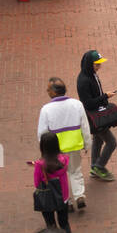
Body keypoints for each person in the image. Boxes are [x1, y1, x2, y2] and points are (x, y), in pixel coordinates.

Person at [36, 77, 91, 211]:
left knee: (60, 174)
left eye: (48, 89)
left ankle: (67, 201)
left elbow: (42, 132)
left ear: (54, 92)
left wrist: (44, 150)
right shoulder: (77, 104)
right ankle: (79, 195)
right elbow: (85, 126)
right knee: (75, 171)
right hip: (74, 145)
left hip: (56, 149)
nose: (47, 91)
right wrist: (87, 143)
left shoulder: (46, 109)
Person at [77, 49, 117, 182]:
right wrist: (105, 96)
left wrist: (104, 96)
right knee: (111, 142)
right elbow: (88, 103)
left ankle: (94, 167)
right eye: (97, 64)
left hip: (97, 115)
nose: (99, 67)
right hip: (93, 118)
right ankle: (99, 167)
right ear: (89, 64)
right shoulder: (83, 81)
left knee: (98, 140)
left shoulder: (92, 74)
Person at [33, 133, 74, 233]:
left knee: (51, 225)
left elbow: (37, 183)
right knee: (64, 223)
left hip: (47, 199)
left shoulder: (40, 164)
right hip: (63, 197)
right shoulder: (64, 159)